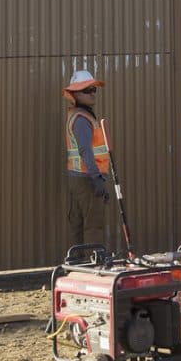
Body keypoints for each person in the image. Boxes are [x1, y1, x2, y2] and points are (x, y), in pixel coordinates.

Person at [62, 69, 112, 252]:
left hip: (78, 178)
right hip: (86, 179)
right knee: (93, 226)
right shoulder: (82, 118)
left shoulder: (79, 115)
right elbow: (85, 151)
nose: (92, 94)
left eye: (93, 90)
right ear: (74, 94)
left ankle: (78, 264)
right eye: (86, 90)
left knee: (78, 224)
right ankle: (92, 268)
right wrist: (97, 179)